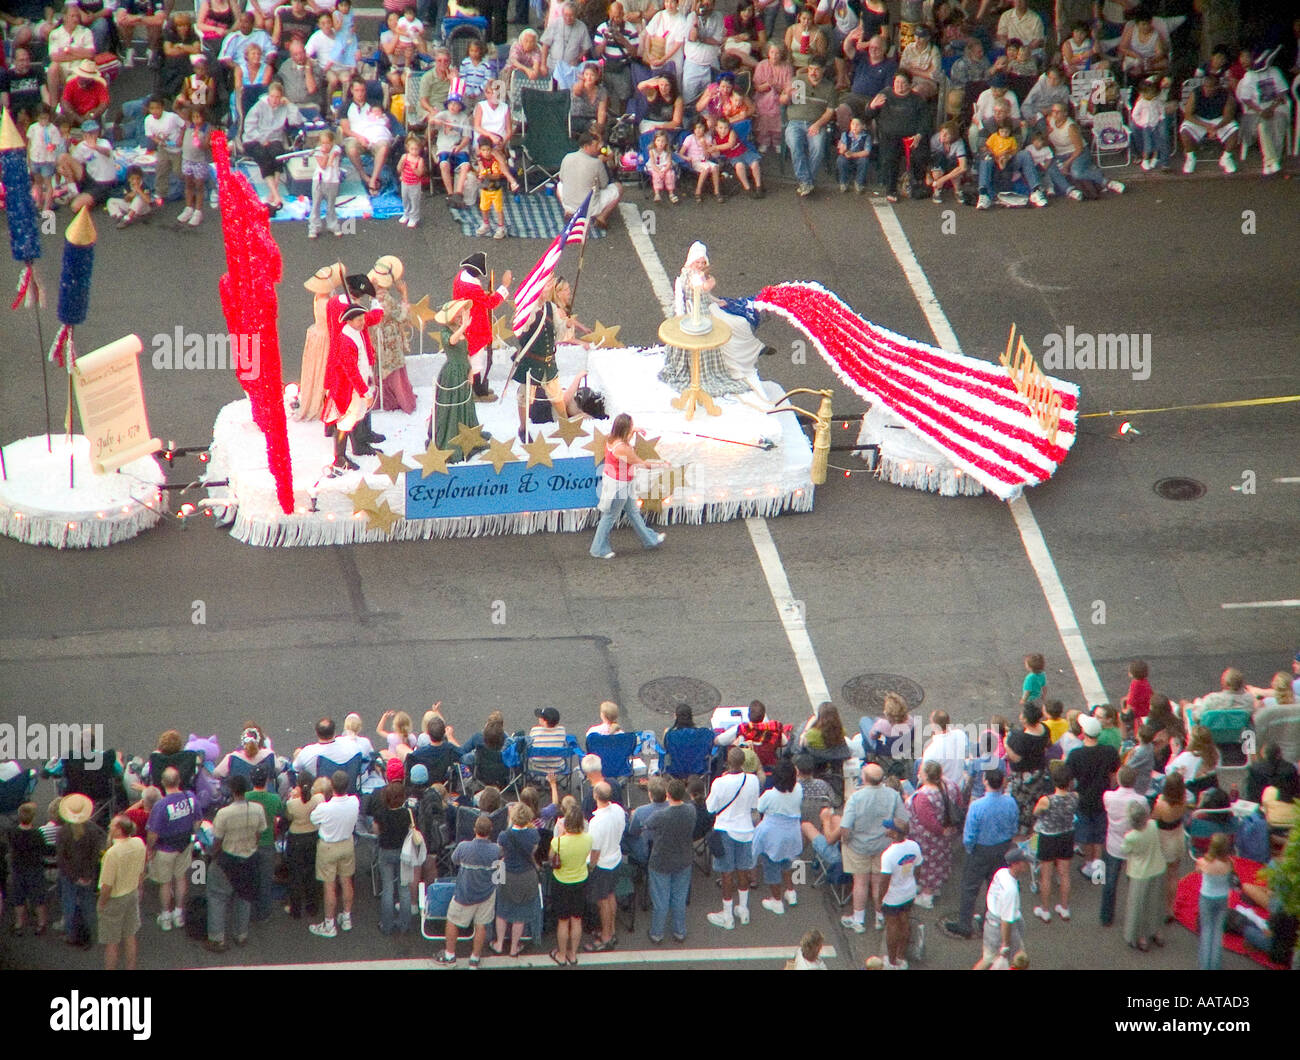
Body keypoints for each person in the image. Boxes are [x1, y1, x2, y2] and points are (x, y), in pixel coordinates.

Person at [824, 762, 907, 934]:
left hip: (858, 845)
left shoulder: (856, 798)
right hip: (883, 845)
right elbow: (903, 821)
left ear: (864, 778)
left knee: (860, 883)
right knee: (878, 883)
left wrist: (846, 840)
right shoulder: (893, 795)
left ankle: (858, 919)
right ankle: (879, 917)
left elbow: (845, 828)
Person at [589, 412, 668, 559]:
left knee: (633, 511)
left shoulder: (611, 438)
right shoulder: (622, 448)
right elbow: (640, 463)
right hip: (619, 486)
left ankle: (650, 539)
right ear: (625, 429)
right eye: (631, 426)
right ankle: (598, 548)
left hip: (622, 482)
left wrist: (633, 431)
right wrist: (661, 465)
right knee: (610, 516)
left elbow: (625, 442)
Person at [205, 774, 266, 953]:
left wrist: (213, 855)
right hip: (249, 859)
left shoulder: (224, 813)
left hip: (227, 860)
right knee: (244, 897)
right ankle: (241, 934)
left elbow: (217, 840)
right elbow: (259, 833)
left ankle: (217, 939)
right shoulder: (257, 809)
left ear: (231, 791)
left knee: (217, 897)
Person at [704, 746, 762, 930]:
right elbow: (754, 805)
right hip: (746, 830)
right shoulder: (752, 780)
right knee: (743, 871)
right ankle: (743, 909)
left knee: (726, 873)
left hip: (725, 830)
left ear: (727, 762)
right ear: (743, 762)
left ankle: (727, 915)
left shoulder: (719, 783)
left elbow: (710, 808)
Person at [435, 813, 502, 966]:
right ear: (490, 830)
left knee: (452, 921)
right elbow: (500, 876)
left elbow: (454, 860)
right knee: (481, 926)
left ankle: (450, 955)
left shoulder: (464, 846)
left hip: (464, 893)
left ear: (474, 829)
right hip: (486, 894)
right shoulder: (496, 850)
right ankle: (474, 959)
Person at [452, 251, 512, 402]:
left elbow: (476, 298)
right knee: (476, 360)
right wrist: (504, 287)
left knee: (471, 358)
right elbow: (490, 303)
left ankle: (476, 388)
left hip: (463, 322)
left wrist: (483, 295)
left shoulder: (460, 278)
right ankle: (477, 391)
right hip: (474, 326)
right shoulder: (473, 288)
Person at [145, 767, 198, 932]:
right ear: (179, 781)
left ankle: (166, 916)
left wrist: (150, 848)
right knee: (181, 878)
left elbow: (153, 833)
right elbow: (197, 822)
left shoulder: (161, 805)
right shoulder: (190, 797)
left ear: (162, 783)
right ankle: (178, 913)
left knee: (165, 883)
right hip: (184, 846)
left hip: (165, 849)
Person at [1067, 711, 1119, 880]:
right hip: (1103, 798)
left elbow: (1068, 780)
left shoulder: (1075, 755)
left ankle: (1089, 864)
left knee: (1087, 835)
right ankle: (1098, 867)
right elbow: (1113, 775)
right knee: (1099, 835)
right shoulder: (1109, 752)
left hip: (1083, 800)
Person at [308, 769, 359, 938]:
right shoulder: (354, 801)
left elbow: (313, 819)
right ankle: (346, 917)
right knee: (346, 881)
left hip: (328, 847)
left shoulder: (324, 808)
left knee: (329, 885)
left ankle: (329, 924)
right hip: (347, 844)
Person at [865, 69, 930, 203]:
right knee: (890, 158)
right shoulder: (885, 94)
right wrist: (872, 106)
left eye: (903, 83)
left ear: (910, 85)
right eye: (897, 82)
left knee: (920, 155)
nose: (899, 85)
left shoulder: (917, 99)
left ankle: (916, 183)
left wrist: (919, 134)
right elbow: (868, 114)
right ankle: (891, 188)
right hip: (889, 136)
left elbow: (925, 120)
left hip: (910, 137)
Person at [643, 778, 695, 944]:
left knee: (661, 900)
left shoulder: (660, 815)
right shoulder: (691, 810)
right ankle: (679, 931)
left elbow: (647, 825)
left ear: (668, 795)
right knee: (679, 898)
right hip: (684, 859)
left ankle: (657, 933)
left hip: (661, 861)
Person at [241, 81, 302, 213]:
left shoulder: (284, 106)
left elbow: (295, 121)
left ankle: (273, 192)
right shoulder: (259, 107)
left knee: (278, 154)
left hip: (275, 138)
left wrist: (290, 105)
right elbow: (249, 127)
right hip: (254, 138)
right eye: (272, 96)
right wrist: (262, 139)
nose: (274, 100)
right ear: (268, 95)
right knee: (263, 156)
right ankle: (276, 194)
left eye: (277, 97)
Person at [752, 759, 803, 915]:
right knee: (787, 862)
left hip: (772, 835)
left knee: (772, 867)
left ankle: (776, 900)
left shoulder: (769, 795)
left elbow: (759, 807)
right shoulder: (799, 789)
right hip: (792, 832)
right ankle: (791, 892)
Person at [909, 759, 962, 909]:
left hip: (929, 839)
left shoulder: (924, 796)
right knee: (940, 861)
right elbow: (959, 803)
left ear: (926, 776)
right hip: (946, 834)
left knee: (928, 865)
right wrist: (947, 830)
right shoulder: (951, 785)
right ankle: (934, 888)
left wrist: (940, 830)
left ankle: (927, 895)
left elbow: (928, 821)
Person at [97, 816, 146, 970]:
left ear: (119, 830)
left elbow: (107, 885)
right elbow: (141, 870)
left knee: (112, 942)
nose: (109, 827)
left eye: (112, 825)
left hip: (115, 899)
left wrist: (101, 903)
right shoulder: (139, 843)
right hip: (132, 893)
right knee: (130, 935)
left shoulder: (112, 853)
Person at [1030, 759, 1077, 923]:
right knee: (1064, 874)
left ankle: (1045, 909)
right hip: (1067, 835)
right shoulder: (1075, 797)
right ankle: (1064, 908)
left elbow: (1036, 813)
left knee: (1046, 876)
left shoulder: (1046, 800)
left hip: (1048, 838)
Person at [56, 793, 104, 949]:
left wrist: (73, 876)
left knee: (68, 903)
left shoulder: (63, 832)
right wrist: (88, 875)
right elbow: (95, 855)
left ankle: (71, 934)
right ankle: (90, 933)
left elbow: (61, 858)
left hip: (69, 875)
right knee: (88, 903)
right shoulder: (93, 831)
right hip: (87, 874)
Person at [1100, 764, 1146, 926]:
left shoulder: (1108, 796)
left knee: (1110, 883)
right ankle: (1134, 917)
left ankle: (1106, 917)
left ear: (1119, 779)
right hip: (1133, 846)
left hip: (1113, 844)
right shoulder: (1141, 800)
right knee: (1134, 884)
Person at [493, 801, 540, 956]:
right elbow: (533, 852)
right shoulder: (533, 834)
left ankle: (499, 944)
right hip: (526, 875)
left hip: (507, 874)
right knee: (520, 915)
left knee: (502, 909)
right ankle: (514, 947)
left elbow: (500, 853)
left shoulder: (504, 835)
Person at [973, 846, 1031, 970]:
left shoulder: (1002, 872)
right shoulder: (1010, 891)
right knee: (1020, 959)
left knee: (988, 958)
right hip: (1000, 929)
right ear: (1016, 864)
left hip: (990, 922)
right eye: (1024, 862)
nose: (1027, 864)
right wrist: (1005, 944)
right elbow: (1006, 921)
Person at [785, 61, 837, 197]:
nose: (813, 73)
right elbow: (782, 100)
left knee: (818, 147)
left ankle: (805, 181)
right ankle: (807, 181)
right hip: (795, 121)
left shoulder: (829, 87)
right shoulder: (798, 81)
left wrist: (818, 124)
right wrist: (787, 95)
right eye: (811, 69)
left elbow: (830, 111)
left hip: (816, 122)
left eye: (817, 69)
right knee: (795, 144)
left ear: (823, 70)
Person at [584, 781, 625, 951]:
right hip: (615, 858)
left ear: (595, 796)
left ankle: (606, 936)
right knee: (610, 896)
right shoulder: (618, 810)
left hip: (603, 865)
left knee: (603, 901)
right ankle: (611, 929)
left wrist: (591, 867)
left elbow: (595, 851)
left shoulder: (597, 822)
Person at [548, 801, 591, 965]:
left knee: (563, 920)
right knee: (577, 919)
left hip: (562, 882)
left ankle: (561, 954)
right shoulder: (588, 839)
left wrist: (560, 835)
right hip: (581, 880)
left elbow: (551, 858)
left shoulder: (558, 842)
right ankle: (573, 954)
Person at [1121, 800, 1165, 952]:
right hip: (1158, 867)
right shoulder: (1153, 825)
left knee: (1138, 905)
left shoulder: (1131, 836)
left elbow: (1125, 850)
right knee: (1155, 901)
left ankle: (1141, 937)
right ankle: (1157, 931)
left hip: (1140, 873)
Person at [878, 818, 922, 969]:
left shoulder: (888, 854)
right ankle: (901, 957)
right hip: (909, 892)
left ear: (895, 834)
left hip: (893, 896)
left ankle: (891, 961)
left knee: (892, 927)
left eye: (889, 828)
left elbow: (884, 881)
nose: (887, 830)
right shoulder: (914, 846)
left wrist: (879, 900)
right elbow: (918, 868)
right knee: (905, 923)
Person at [1178, 72, 1239, 176]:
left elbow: (1228, 116)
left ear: (1217, 87)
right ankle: (1190, 158)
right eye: (1205, 86)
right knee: (1184, 131)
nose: (1206, 89)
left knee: (1234, 130)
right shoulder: (1196, 93)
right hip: (1200, 119)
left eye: (1210, 87)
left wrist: (1216, 127)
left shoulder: (1226, 94)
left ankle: (1226, 157)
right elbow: (1188, 114)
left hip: (1219, 120)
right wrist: (1206, 126)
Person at [558, 130, 622, 227]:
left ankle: (568, 211)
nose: (598, 148)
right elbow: (604, 185)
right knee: (618, 187)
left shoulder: (567, 157)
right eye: (596, 145)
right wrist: (602, 162)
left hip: (569, 205)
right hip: (590, 209)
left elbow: (562, 179)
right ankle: (602, 217)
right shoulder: (597, 163)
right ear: (587, 146)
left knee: (559, 185)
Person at [6, 802, 50, 936]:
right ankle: (41, 923)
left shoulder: (13, 833)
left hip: (18, 869)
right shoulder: (37, 834)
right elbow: (44, 849)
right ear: (33, 818)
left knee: (18, 897)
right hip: (34, 868)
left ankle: (19, 923)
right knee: (38, 897)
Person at [1195, 832, 1232, 970]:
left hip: (1206, 897)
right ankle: (1215, 966)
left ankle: (1204, 965)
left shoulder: (1204, 863)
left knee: (1207, 931)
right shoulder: (1229, 863)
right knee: (1217, 932)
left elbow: (1198, 870)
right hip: (1222, 898)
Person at [835, 114, 871, 193]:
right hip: (847, 155)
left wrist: (853, 155)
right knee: (841, 160)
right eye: (852, 124)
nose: (854, 127)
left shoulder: (866, 136)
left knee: (864, 161)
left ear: (863, 126)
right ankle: (843, 182)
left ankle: (859, 183)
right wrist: (843, 149)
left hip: (858, 156)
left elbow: (866, 151)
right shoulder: (845, 134)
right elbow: (840, 150)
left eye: (857, 125)